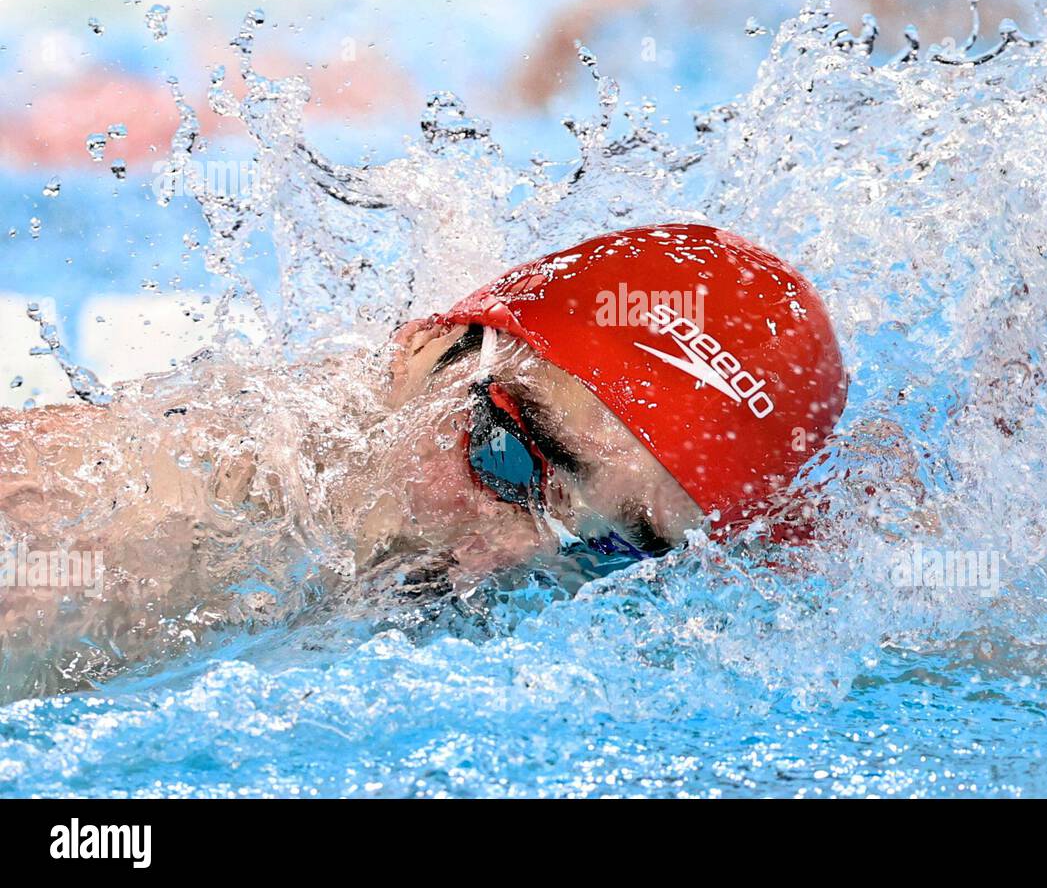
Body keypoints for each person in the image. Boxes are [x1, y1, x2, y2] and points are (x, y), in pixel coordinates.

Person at [0, 223, 847, 696]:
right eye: (503, 460)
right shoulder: (78, 545)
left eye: (606, 549)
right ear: (425, 347)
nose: (501, 559)